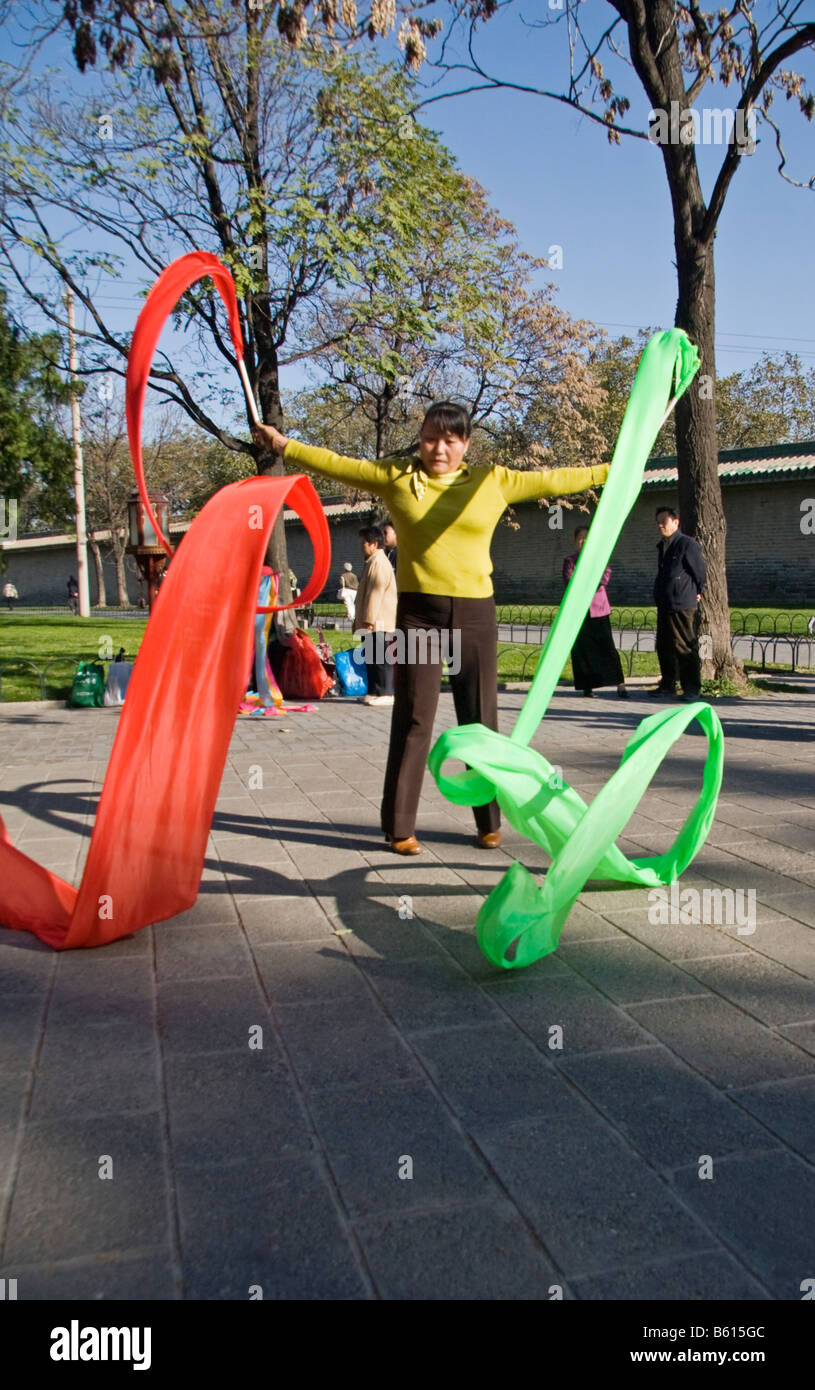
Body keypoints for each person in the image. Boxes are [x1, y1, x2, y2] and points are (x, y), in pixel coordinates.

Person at [252, 402, 610, 855]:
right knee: (415, 717)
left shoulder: (491, 480)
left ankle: (488, 821)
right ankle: (400, 824)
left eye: (451, 440)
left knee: (480, 720)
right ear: (420, 438)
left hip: (476, 614)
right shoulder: (396, 477)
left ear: (466, 444)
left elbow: (556, 479)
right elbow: (341, 465)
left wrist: (614, 468)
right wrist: (285, 445)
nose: (440, 449)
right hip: (420, 614)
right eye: (430, 438)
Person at [563, 526, 626, 698]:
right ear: (575, 541)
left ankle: (620, 684)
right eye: (580, 538)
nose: (583, 541)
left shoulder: (599, 559)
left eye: (587, 538)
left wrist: (585, 581)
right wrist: (588, 581)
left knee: (607, 648)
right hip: (579, 612)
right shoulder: (570, 561)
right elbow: (570, 581)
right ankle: (587, 686)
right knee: (583, 649)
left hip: (598, 610)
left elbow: (604, 578)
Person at [651, 505, 706, 701]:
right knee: (664, 645)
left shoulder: (686, 544)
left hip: (682, 602)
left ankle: (691, 688)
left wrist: (698, 591)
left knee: (684, 646)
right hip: (665, 602)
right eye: (658, 522)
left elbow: (699, 571)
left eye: (663, 522)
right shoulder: (662, 545)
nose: (660, 526)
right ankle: (668, 684)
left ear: (675, 522)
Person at [355, 525, 397, 707]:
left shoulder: (378, 563)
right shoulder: (372, 561)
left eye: (363, 542)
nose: (361, 546)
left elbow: (375, 593)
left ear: (373, 544)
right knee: (372, 656)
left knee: (381, 657)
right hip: (372, 620)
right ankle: (373, 690)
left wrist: (368, 620)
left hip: (378, 620)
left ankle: (386, 692)